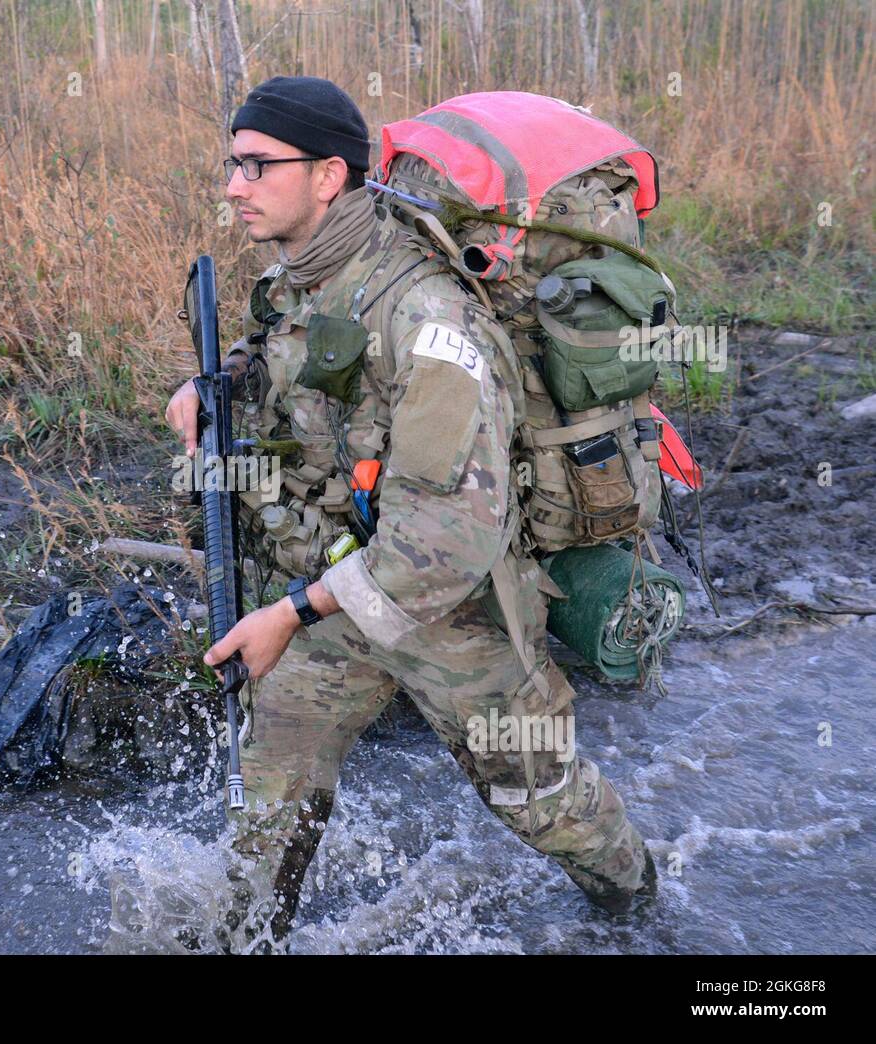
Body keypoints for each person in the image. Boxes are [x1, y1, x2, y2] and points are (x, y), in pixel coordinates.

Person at [163, 76, 656, 949]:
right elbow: (287, 344)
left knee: (546, 807)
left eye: (255, 166)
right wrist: (217, 388)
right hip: (338, 585)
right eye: (231, 163)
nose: (233, 185)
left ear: (327, 177)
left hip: (452, 611)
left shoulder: (427, 318)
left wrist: (288, 612)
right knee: (271, 791)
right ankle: (247, 938)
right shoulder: (312, 264)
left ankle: (646, 913)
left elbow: (445, 541)